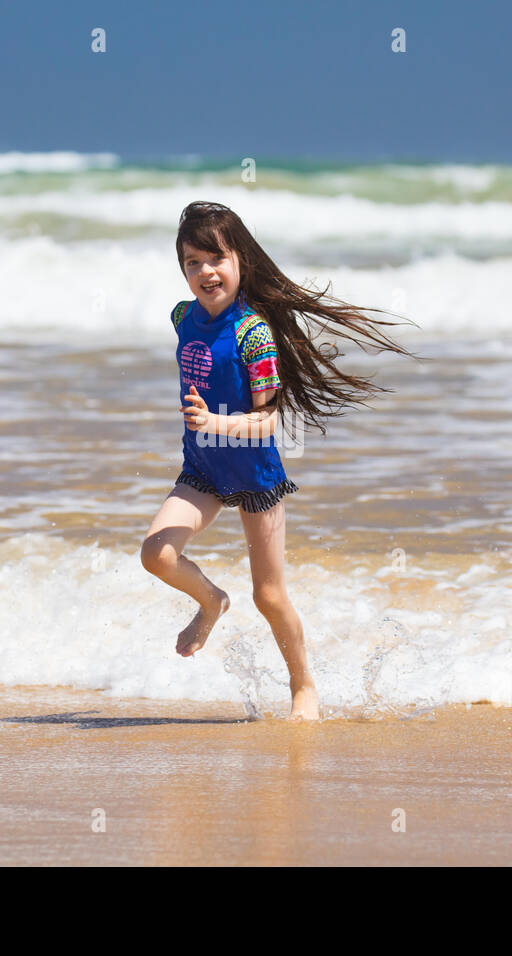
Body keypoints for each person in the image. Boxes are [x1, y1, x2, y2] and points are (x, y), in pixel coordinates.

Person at [140, 201, 419, 720]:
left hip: (255, 475)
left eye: (215, 258)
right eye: (191, 262)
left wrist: (217, 423)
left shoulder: (254, 335)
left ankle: (303, 687)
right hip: (202, 469)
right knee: (156, 555)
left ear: (240, 258)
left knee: (269, 596)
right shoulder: (182, 318)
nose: (204, 272)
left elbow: (270, 422)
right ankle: (211, 603)